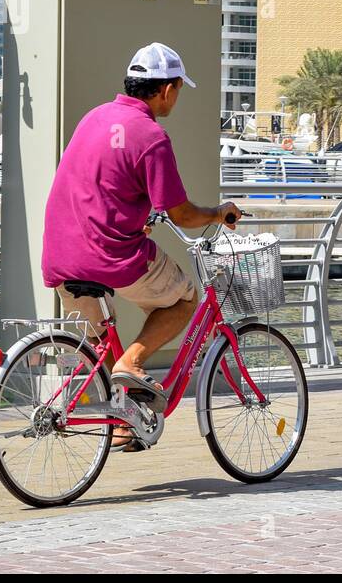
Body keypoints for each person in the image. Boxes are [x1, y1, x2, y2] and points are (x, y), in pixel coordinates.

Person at [41, 42, 241, 449]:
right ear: (166, 89)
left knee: (105, 348)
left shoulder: (94, 118)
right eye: (179, 89)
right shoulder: (151, 136)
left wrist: (139, 217)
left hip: (60, 255)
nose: (177, 97)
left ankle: (120, 422)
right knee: (182, 299)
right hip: (107, 255)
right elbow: (182, 214)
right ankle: (133, 364)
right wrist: (218, 213)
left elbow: (101, 185)